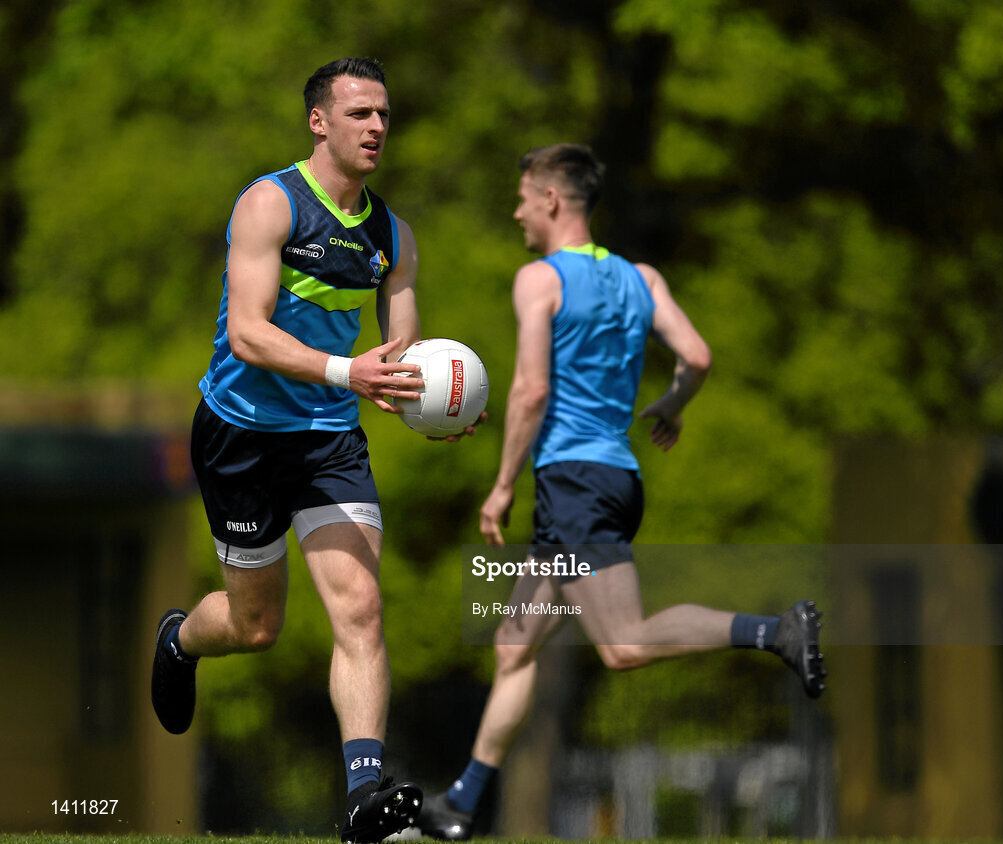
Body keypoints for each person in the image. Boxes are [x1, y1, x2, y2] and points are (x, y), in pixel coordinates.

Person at [415, 144, 827, 840]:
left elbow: (530, 390)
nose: (516, 211)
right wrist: (671, 405)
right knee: (514, 644)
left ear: (552, 200)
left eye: (523, 197)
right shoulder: (642, 278)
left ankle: (773, 631)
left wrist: (502, 485)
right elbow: (696, 356)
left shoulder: (539, 281)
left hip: (573, 483)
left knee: (623, 644)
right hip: (614, 478)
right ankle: (460, 803)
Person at [150, 57, 449, 842]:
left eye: (383, 114)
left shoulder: (393, 236)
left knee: (360, 606)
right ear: (319, 122)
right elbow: (247, 334)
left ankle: (361, 797)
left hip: (326, 440)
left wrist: (440, 407)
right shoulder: (270, 204)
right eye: (359, 114)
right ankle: (180, 640)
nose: (376, 127)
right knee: (256, 627)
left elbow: (402, 361)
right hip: (240, 435)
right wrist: (348, 372)